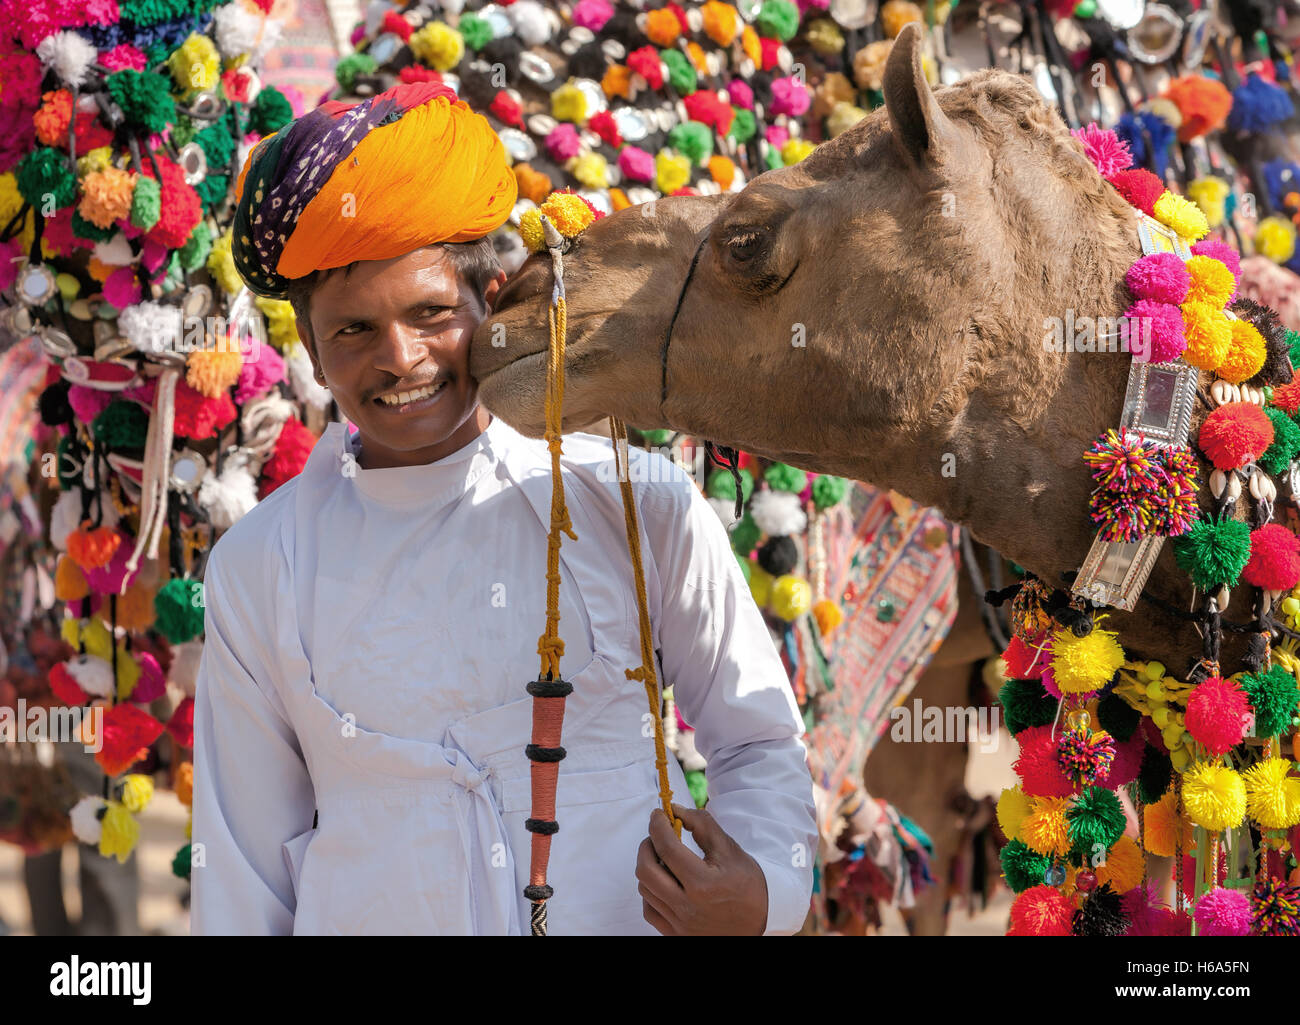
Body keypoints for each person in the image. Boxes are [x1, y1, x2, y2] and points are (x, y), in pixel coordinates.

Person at [191, 81, 816, 935]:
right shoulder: (259, 566)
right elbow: (245, 867)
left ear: (491, 301)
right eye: (353, 331)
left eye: (431, 312)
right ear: (308, 345)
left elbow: (760, 743)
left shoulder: (640, 503)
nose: (399, 357)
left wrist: (764, 898)